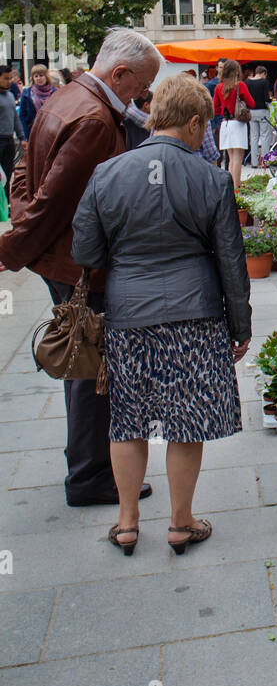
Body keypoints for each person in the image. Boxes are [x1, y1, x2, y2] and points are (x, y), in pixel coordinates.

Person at [71, 73, 251, 555]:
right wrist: (240, 325)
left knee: (127, 420)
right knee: (186, 421)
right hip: (194, 315)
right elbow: (232, 261)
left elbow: (84, 248)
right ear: (193, 123)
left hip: (128, 315)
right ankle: (180, 522)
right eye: (204, 127)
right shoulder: (212, 179)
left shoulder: (108, 174)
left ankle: (127, 523)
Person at [0, 27, 162, 506]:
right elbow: (55, 201)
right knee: (92, 365)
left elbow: (26, 172)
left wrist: (23, 226)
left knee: (83, 359)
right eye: (141, 85)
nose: (142, 96)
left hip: (66, 260)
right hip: (79, 265)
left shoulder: (70, 96)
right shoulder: (94, 118)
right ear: (120, 73)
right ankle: (91, 475)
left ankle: (87, 464)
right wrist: (12, 250)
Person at [212, 60, 255, 191]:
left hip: (225, 124)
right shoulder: (240, 85)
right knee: (238, 158)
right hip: (238, 124)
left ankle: (230, 187)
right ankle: (236, 188)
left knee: (230, 158)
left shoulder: (219, 87)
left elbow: (215, 108)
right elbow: (251, 103)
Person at [0, 66, 25, 203]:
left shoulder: (10, 95)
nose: (9, 81)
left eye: (10, 78)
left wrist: (22, 137)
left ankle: (6, 202)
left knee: (8, 173)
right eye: (5, 78)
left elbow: (15, 118)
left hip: (9, 139)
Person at [18, 63, 57, 140]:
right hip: (33, 132)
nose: (39, 78)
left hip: (51, 132)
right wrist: (26, 135)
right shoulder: (27, 93)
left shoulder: (54, 92)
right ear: (33, 78)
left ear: (46, 76)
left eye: (41, 75)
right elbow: (22, 115)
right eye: (36, 76)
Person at [247, 65, 274, 165]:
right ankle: (265, 162)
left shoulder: (247, 82)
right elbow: (266, 98)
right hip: (262, 111)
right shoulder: (264, 82)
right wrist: (271, 99)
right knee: (264, 136)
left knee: (253, 137)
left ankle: (254, 162)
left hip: (251, 111)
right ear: (263, 73)